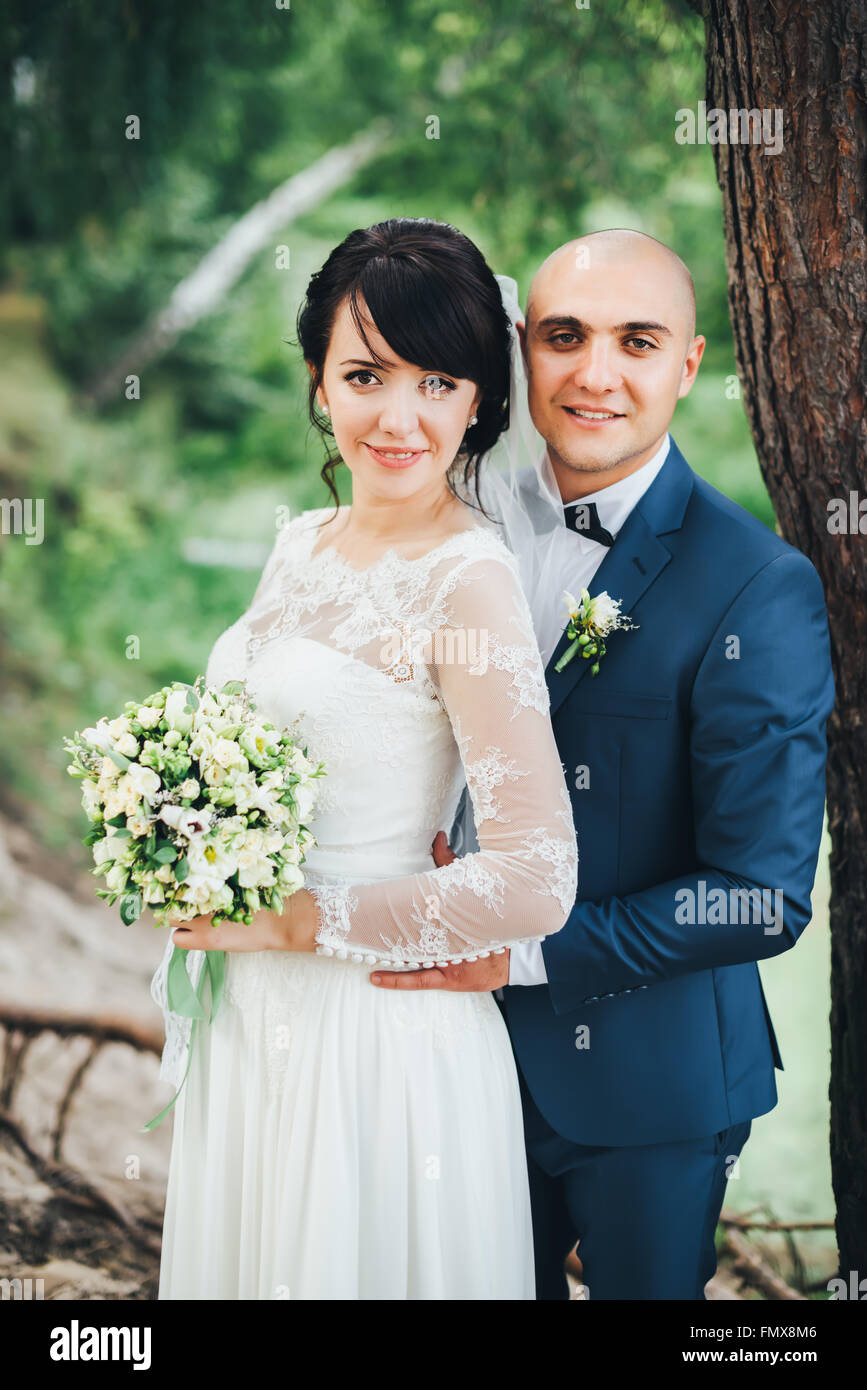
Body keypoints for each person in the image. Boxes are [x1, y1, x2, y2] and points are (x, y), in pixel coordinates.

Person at [374, 229, 835, 1300]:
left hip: (648, 1091)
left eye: (637, 341)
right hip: (440, 1052)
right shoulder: (455, 526)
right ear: (521, 352)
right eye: (565, 336)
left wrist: (519, 956)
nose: (595, 373)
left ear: (687, 363)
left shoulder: (753, 585)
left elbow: (760, 897)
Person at [149, 217, 578, 1299]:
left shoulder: (468, 581)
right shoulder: (299, 542)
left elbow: (538, 875)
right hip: (250, 1017)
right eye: (365, 373)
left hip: (376, 1041)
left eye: (439, 381)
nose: (399, 416)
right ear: (317, 380)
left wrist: (307, 919)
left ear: (482, 397)